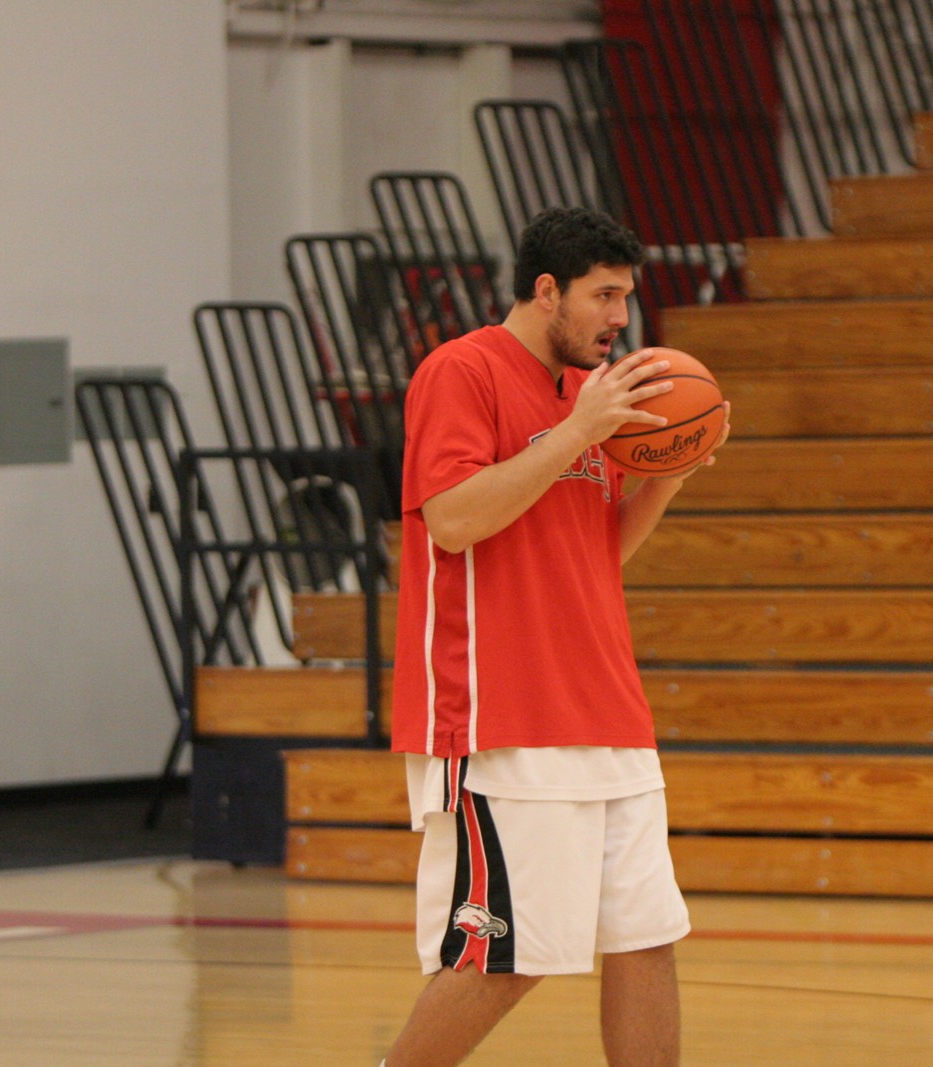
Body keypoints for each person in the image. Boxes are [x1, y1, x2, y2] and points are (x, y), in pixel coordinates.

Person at [381, 206, 729, 1067]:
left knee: (645, 937)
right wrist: (580, 432)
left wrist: (669, 476)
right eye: (604, 295)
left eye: (626, 296)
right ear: (547, 291)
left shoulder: (590, 396)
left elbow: (598, 549)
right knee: (505, 955)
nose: (621, 317)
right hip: (499, 715)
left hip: (606, 706)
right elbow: (455, 520)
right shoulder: (461, 371)